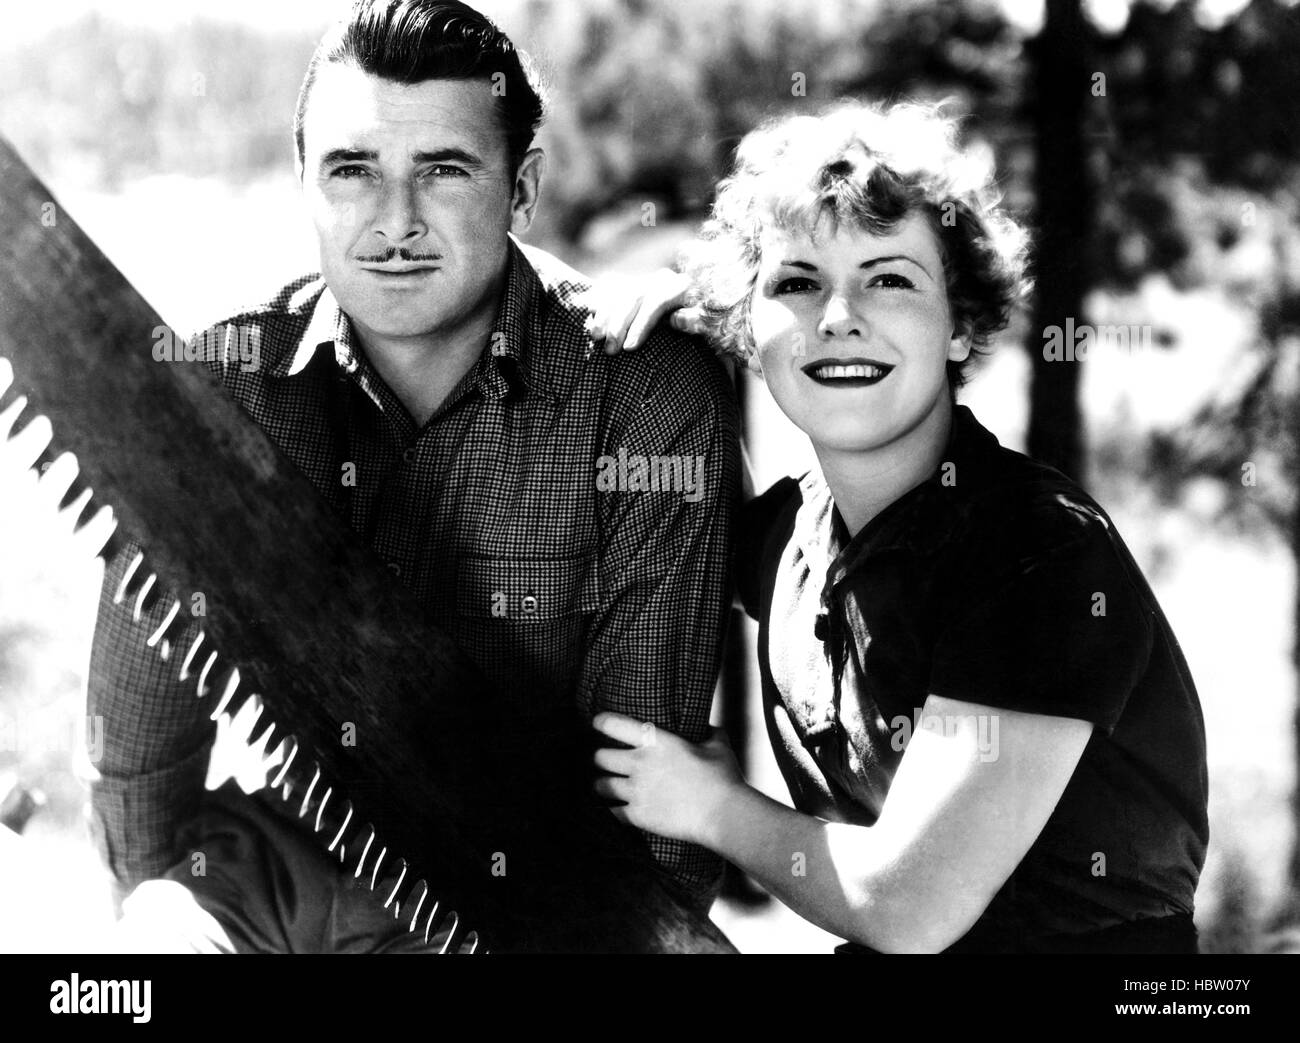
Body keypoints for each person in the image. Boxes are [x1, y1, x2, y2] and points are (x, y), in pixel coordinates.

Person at [88, 0, 739, 953]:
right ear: (301, 178)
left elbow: (650, 819)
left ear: (522, 189)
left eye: (443, 171)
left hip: (529, 911)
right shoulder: (222, 383)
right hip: (276, 877)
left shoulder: (640, 396)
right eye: (353, 171)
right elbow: (140, 752)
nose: (395, 223)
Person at [589, 101, 1210, 954]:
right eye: (796, 283)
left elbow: (906, 906)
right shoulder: (790, 537)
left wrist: (710, 808)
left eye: (889, 278)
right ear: (748, 323)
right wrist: (667, 352)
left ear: (960, 324)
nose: (838, 316)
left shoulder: (1040, 551)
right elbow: (669, 517)